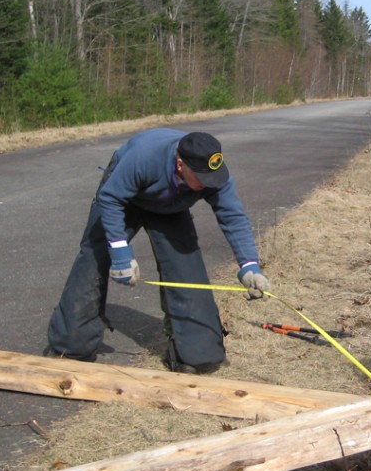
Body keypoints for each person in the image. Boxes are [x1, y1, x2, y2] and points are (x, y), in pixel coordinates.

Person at [45, 129, 270, 372]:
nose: (209, 185)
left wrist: (249, 266)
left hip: (170, 208)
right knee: (93, 258)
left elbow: (233, 217)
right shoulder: (143, 158)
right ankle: (71, 345)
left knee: (187, 270)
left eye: (212, 178)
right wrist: (121, 254)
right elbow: (110, 199)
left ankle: (195, 353)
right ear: (181, 164)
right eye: (202, 179)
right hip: (122, 200)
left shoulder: (213, 175)